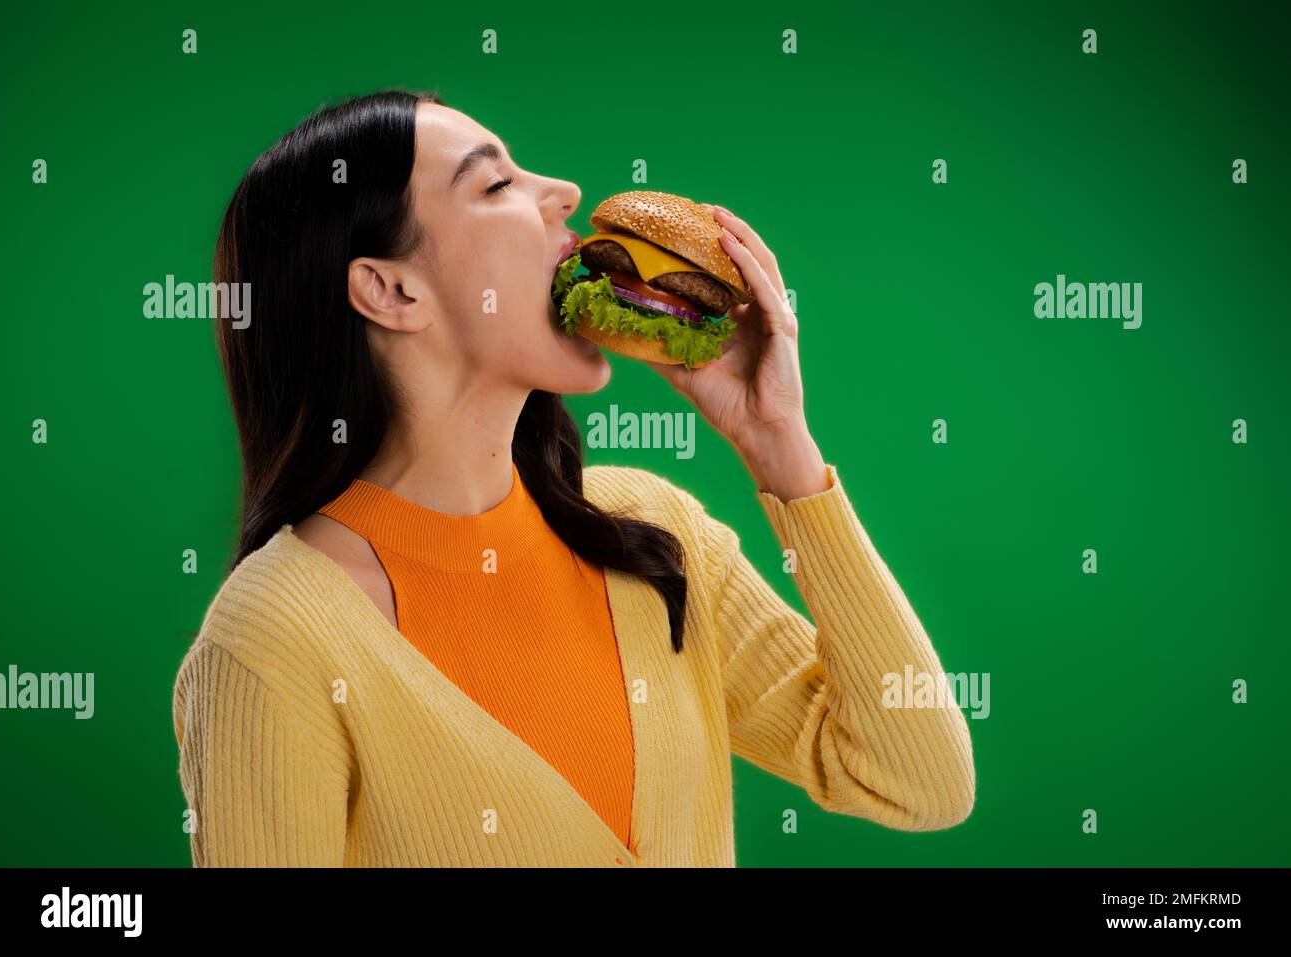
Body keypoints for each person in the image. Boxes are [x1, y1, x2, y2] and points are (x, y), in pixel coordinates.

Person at [171, 89, 975, 867]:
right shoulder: (274, 639)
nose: (564, 193)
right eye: (496, 183)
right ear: (391, 289)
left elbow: (918, 779)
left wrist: (780, 449)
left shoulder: (651, 537)